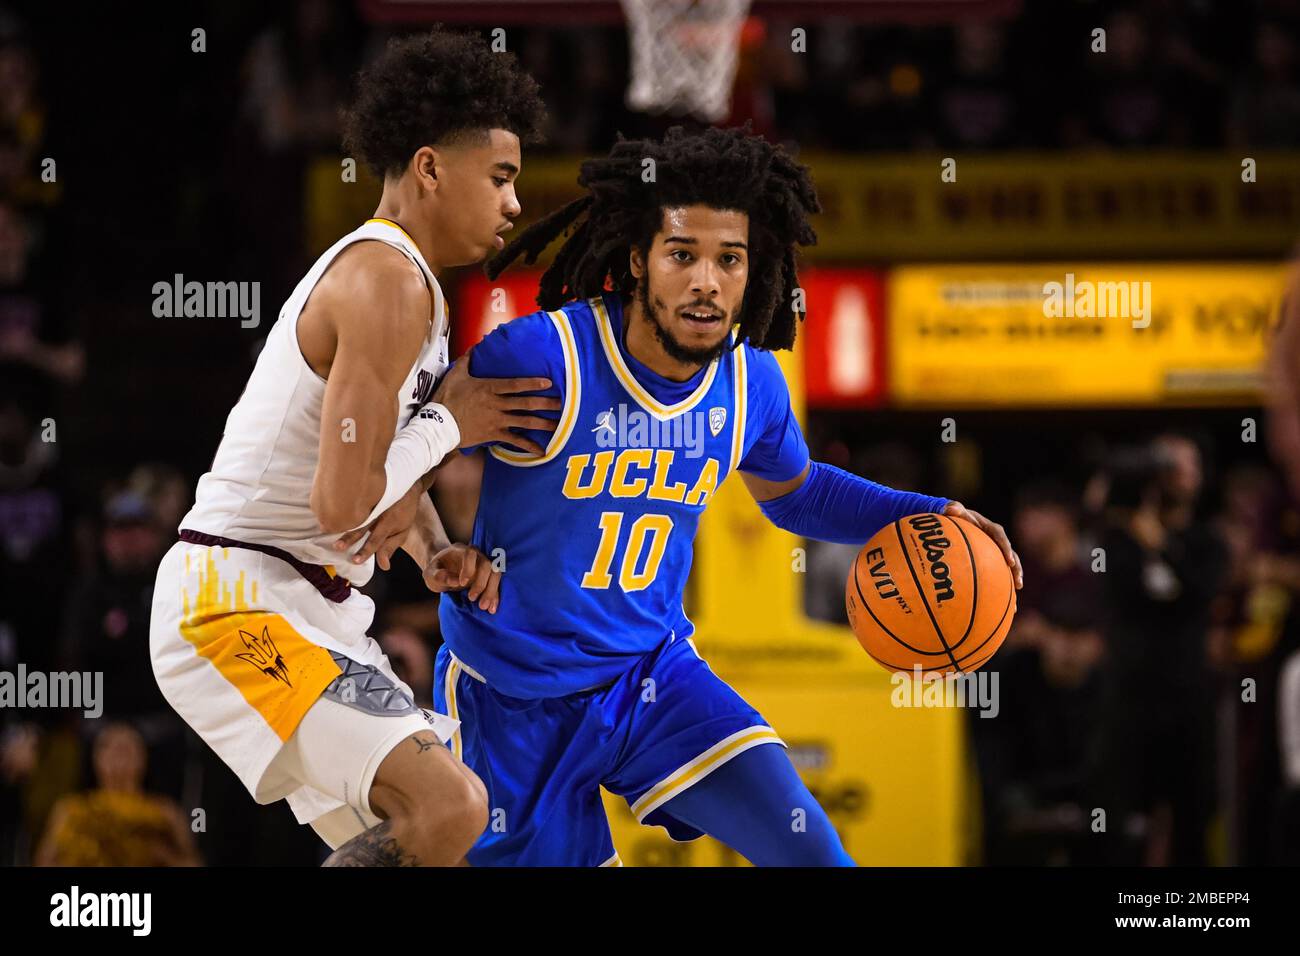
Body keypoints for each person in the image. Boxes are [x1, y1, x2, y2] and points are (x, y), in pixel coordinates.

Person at [352, 126, 1022, 865]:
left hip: (652, 680)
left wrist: (926, 513)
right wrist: (437, 548)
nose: (707, 280)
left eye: (729, 260)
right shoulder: (545, 359)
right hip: (512, 697)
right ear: (638, 262)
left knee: (816, 855)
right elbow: (405, 447)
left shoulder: (750, 383)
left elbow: (795, 493)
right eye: (683, 255)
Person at [149, 28, 551, 866]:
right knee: (450, 807)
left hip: (314, 605)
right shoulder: (384, 281)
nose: (515, 203)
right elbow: (343, 501)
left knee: (447, 836)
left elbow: (373, 476)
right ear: (432, 168)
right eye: (502, 177)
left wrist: (435, 544)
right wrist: (454, 422)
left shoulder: (416, 291)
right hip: (234, 598)